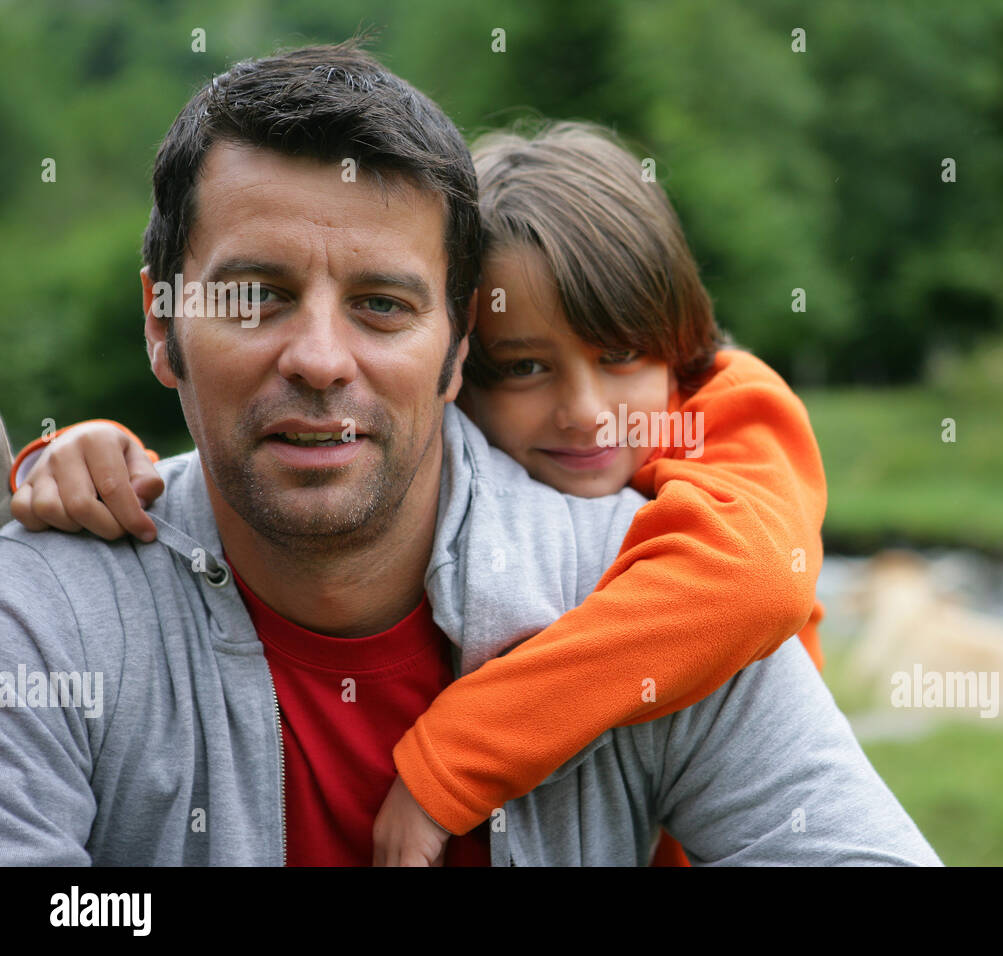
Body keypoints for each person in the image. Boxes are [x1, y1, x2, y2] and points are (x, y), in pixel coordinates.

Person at [0, 42, 941, 866]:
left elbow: (759, 595)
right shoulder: (46, 614)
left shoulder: (660, 566)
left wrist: (462, 750)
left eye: (383, 304)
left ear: (453, 353)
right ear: (161, 328)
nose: (322, 360)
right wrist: (65, 462)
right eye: (254, 296)